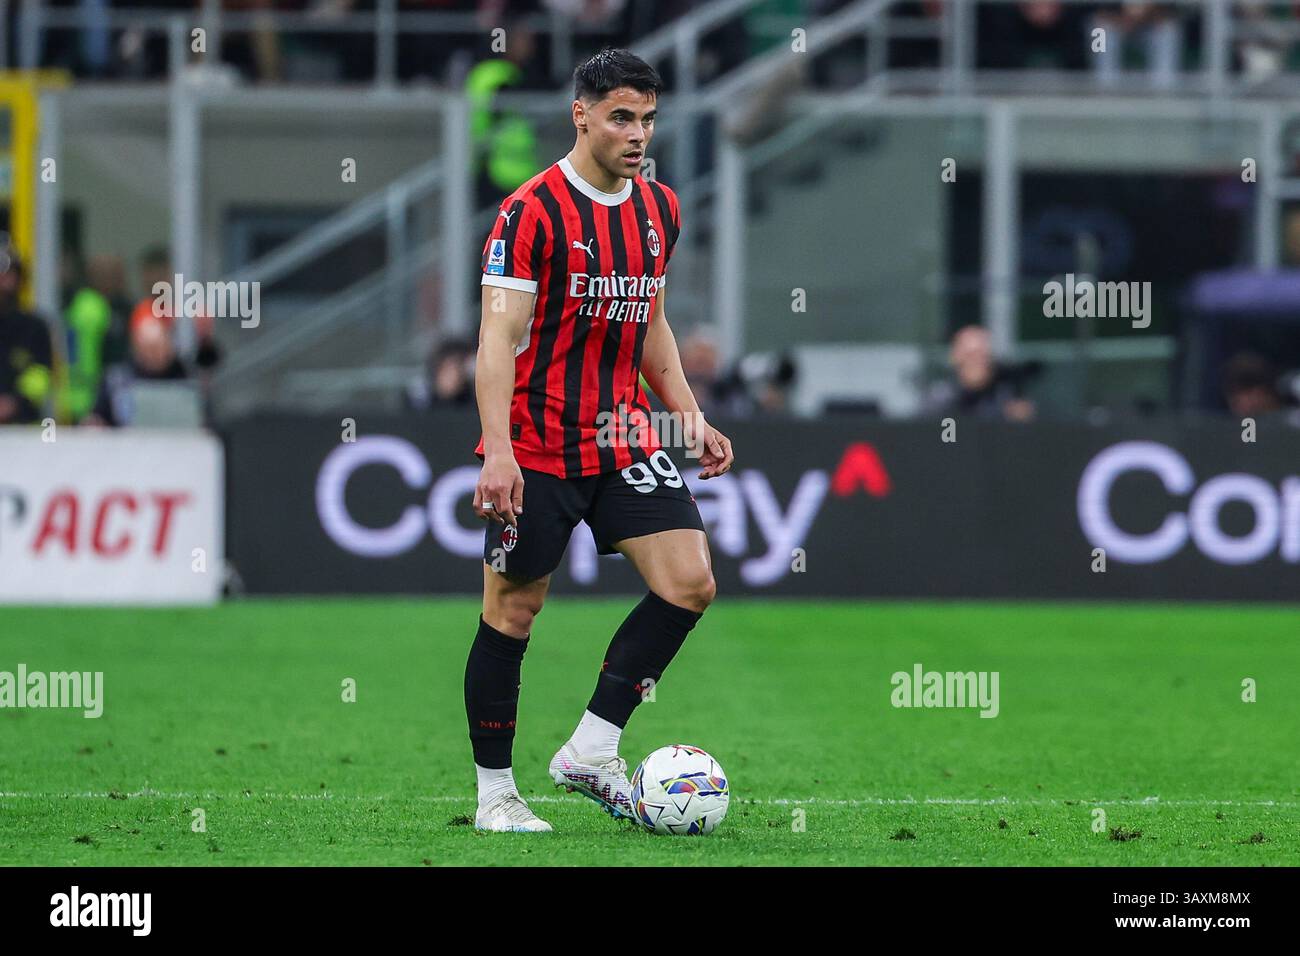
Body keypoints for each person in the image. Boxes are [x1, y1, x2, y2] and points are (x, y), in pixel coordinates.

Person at [466, 48, 734, 833]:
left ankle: (590, 748)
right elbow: (496, 339)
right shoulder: (530, 212)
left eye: (648, 119)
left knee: (690, 581)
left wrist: (687, 412)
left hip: (621, 433)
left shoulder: (660, 210)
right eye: (622, 117)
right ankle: (495, 798)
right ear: (580, 115)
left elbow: (647, 321)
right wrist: (499, 448)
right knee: (514, 613)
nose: (638, 133)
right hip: (538, 440)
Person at [923, 324, 1037, 422]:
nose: (976, 362)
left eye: (982, 355)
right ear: (956, 357)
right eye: (970, 355)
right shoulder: (940, 399)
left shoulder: (1008, 396)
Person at [0, 243, 54, 426]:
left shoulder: (34, 327)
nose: (4, 281)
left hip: (23, 425)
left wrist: (14, 403)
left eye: (9, 274)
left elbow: (41, 374)